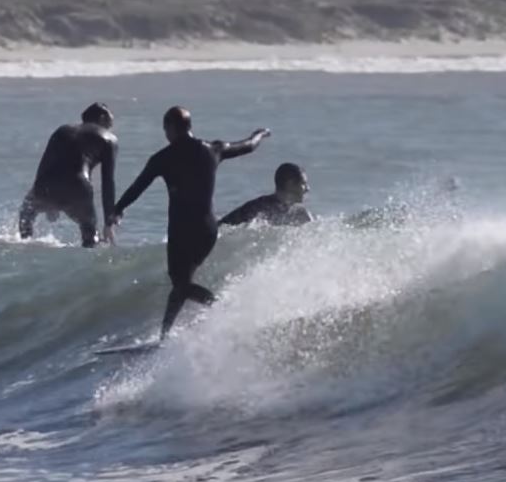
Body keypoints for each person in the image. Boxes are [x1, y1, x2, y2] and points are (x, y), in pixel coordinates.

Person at [112, 106, 270, 339]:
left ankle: (223, 310)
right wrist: (261, 133)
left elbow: (138, 187)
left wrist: (117, 209)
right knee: (181, 285)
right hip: (206, 229)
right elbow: (248, 145)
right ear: (190, 127)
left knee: (181, 285)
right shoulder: (214, 149)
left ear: (170, 128)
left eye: (166, 129)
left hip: (181, 231)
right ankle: (165, 336)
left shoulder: (162, 158)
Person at [18, 103, 119, 248]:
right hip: (78, 188)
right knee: (89, 233)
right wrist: (109, 221)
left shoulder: (62, 130)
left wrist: (43, 194)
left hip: (46, 184)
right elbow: (108, 182)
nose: (112, 124)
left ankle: (25, 245)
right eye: (111, 119)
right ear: (102, 117)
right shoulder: (109, 139)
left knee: (26, 214)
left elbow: (45, 164)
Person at [221, 163, 313, 228]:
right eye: (304, 184)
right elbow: (221, 226)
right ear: (290, 184)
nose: (308, 188)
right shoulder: (257, 208)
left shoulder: (302, 214)